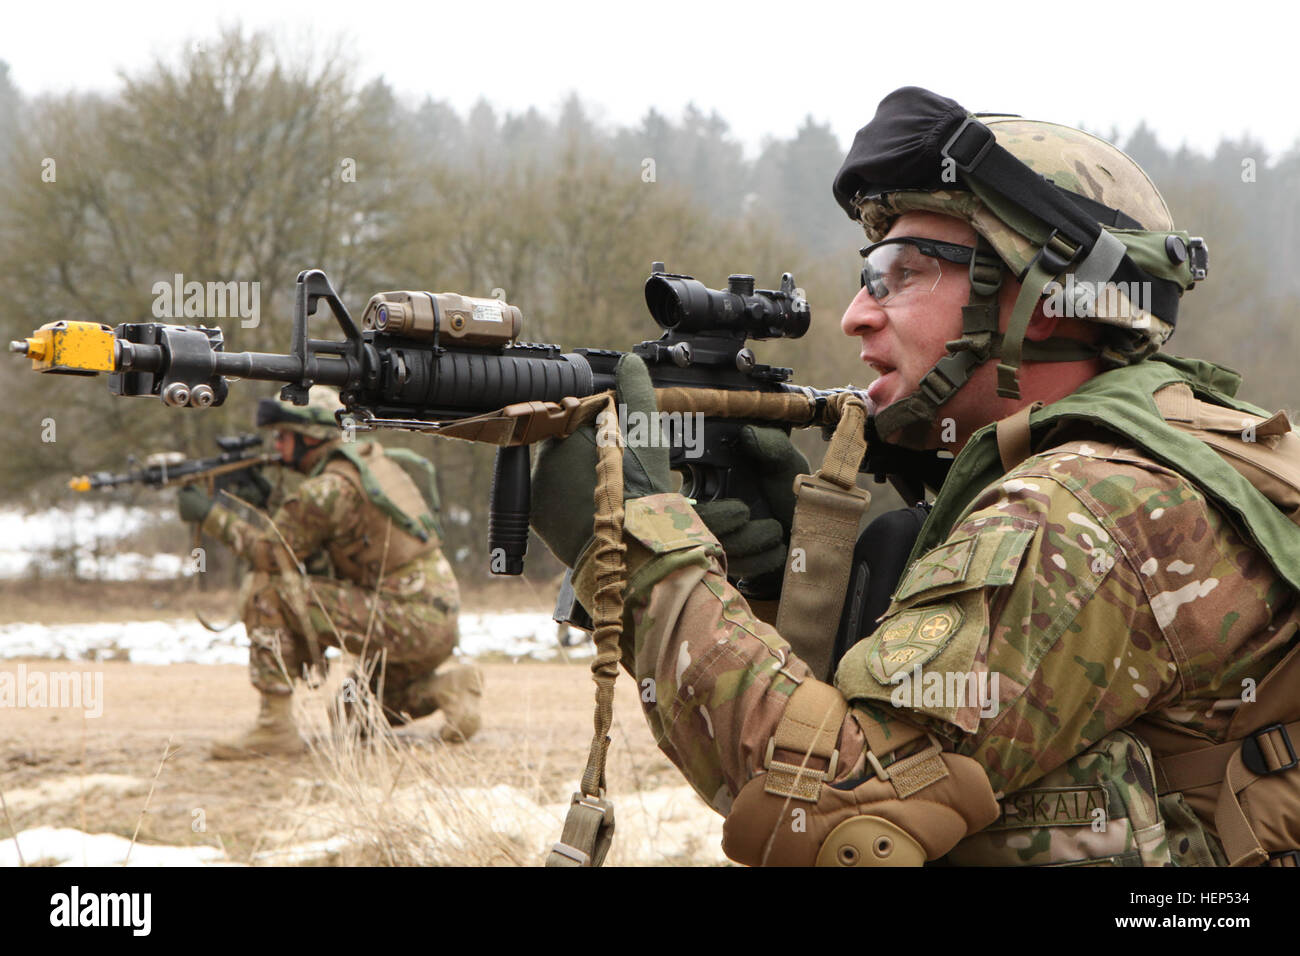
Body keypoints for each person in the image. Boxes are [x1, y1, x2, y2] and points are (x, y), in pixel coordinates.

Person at [530, 87, 1300, 867]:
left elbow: (841, 824)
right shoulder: (1179, 445)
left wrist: (640, 555)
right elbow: (892, 734)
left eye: (901, 273)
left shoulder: (1081, 510)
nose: (856, 315)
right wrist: (771, 589)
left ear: (1037, 301)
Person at [178, 387, 482, 757]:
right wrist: (270, 504)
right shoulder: (369, 464)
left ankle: (275, 729)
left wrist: (208, 515)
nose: (276, 447)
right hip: (434, 623)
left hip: (404, 621)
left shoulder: (327, 488)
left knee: (268, 589)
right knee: (350, 713)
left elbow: (271, 555)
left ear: (311, 437)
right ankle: (447, 689)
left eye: (283, 437)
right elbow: (325, 548)